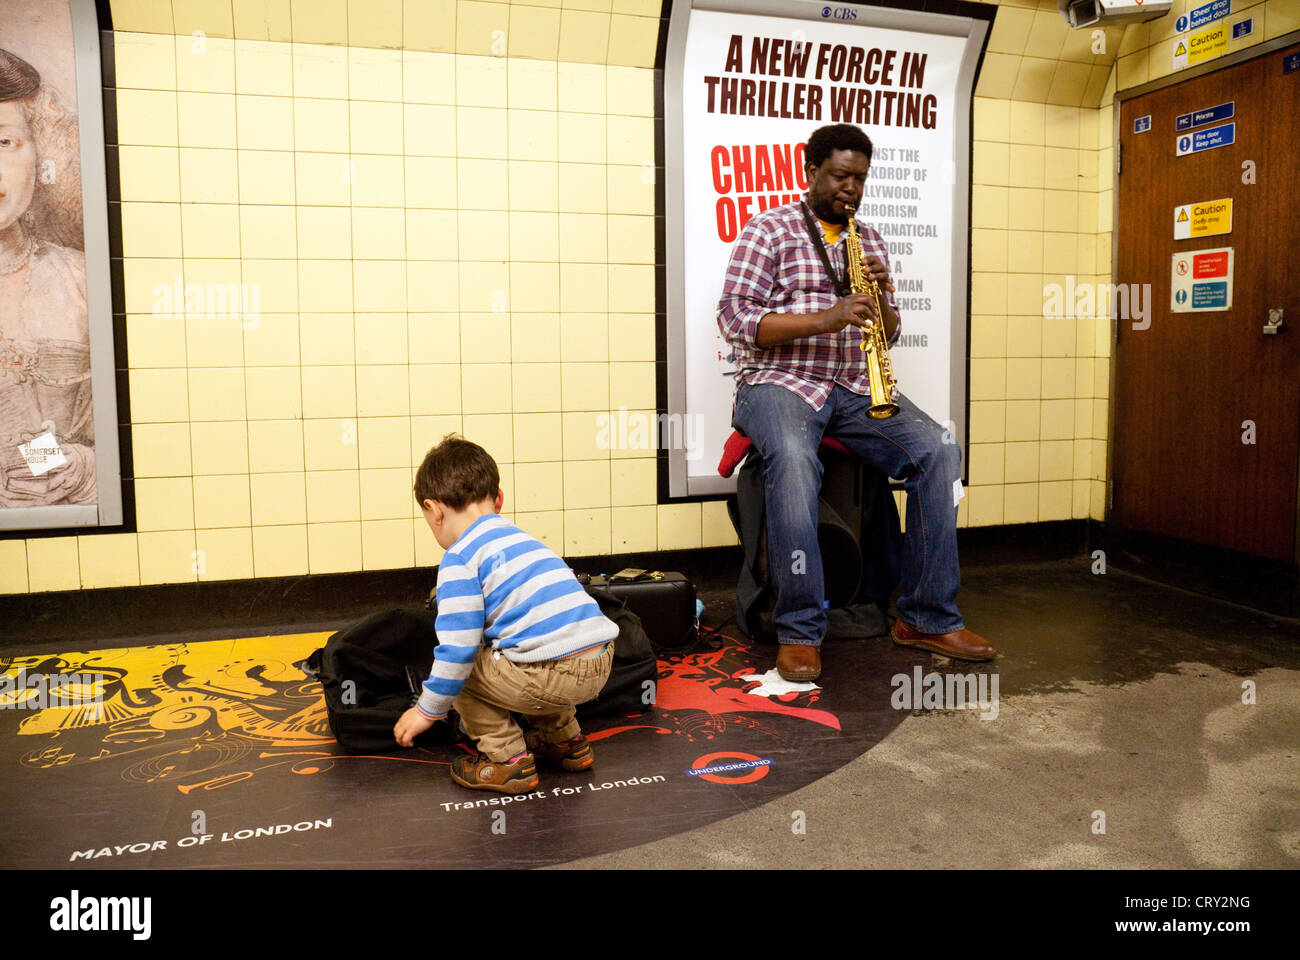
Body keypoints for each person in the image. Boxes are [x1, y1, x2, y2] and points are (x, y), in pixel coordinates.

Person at [716, 123, 995, 683]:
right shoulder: (768, 231)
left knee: (940, 450)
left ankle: (925, 616)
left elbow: (886, 335)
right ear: (810, 170)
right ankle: (799, 631)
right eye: (841, 176)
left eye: (860, 179)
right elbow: (736, 321)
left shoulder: (870, 240)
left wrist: (886, 302)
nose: (851, 188)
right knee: (794, 461)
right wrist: (827, 316)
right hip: (779, 382)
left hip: (854, 385)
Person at [394, 434, 618, 794]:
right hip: (601, 661)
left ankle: (507, 760)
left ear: (433, 510)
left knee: (463, 669)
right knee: (527, 651)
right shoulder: (523, 540)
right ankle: (566, 741)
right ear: (498, 500)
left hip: (551, 673)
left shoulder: (460, 557)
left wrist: (426, 710)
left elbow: (458, 651)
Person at [0, 47, 95, 507]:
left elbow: (118, 444)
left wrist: (72, 467)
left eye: (4, 143)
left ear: (37, 152)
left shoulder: (80, 282)